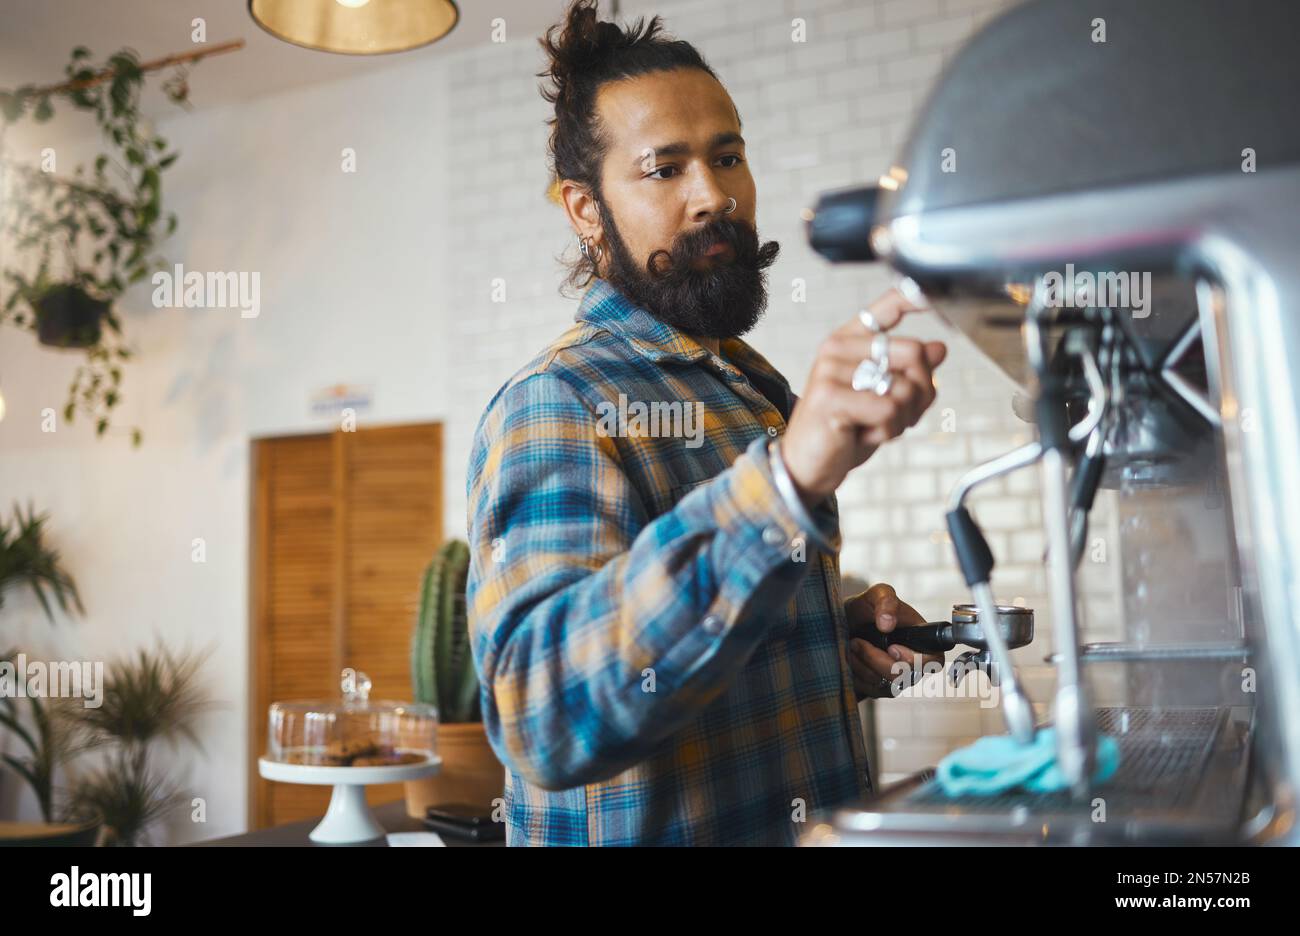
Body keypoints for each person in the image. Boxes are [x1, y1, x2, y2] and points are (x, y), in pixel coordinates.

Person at [465, 0, 948, 845]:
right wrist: (787, 481)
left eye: (728, 157)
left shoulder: (750, 387)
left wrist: (827, 644)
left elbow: (680, 655)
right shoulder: (559, 401)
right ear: (585, 209)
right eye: (665, 169)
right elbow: (542, 714)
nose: (715, 197)